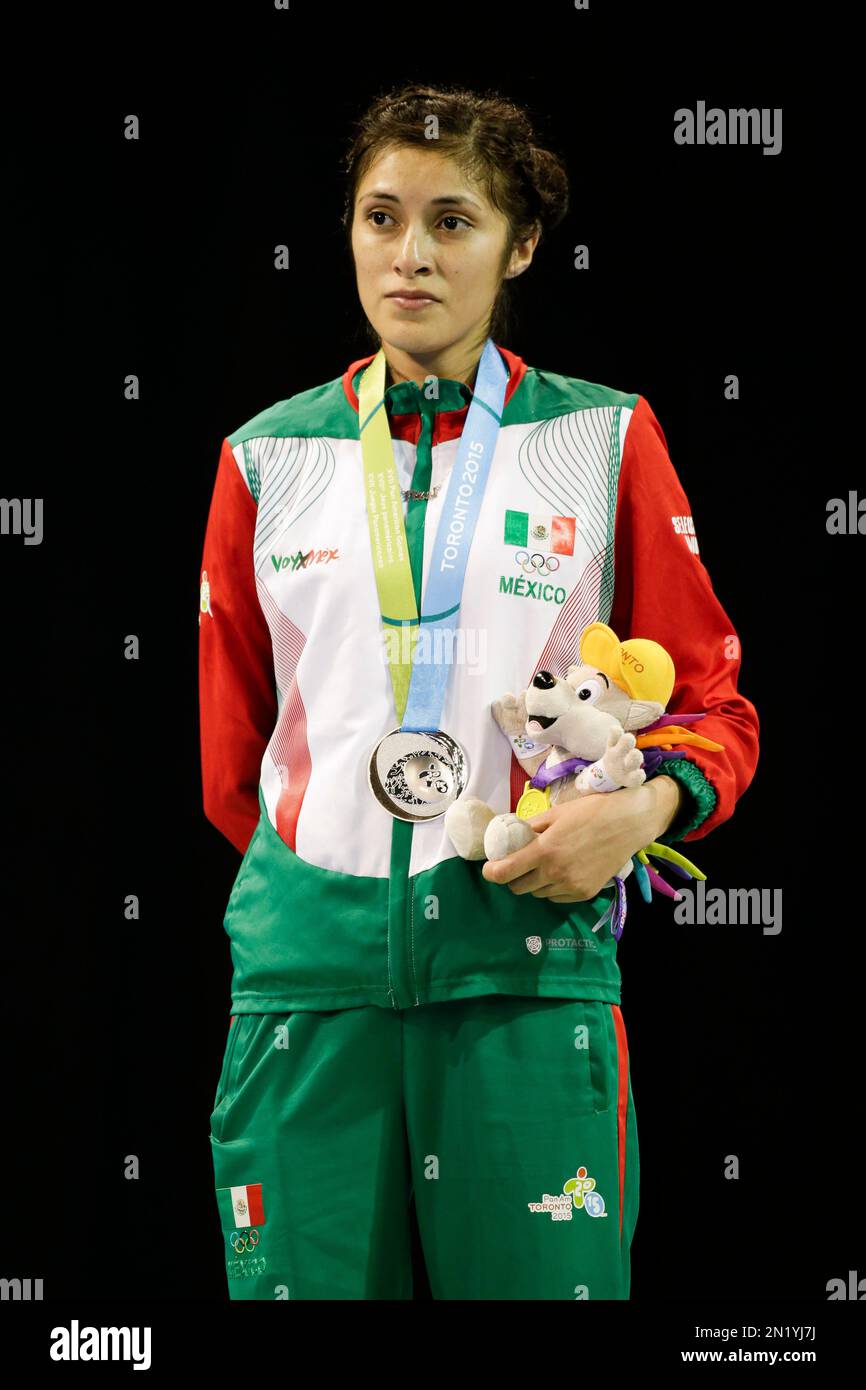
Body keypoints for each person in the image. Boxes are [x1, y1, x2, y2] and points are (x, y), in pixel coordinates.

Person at [198, 82, 760, 1301]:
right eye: (379, 217)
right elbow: (234, 757)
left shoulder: (601, 437)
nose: (408, 255)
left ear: (519, 245)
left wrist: (643, 812)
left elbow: (712, 703)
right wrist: (323, 902)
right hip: (308, 993)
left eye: (450, 221)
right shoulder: (264, 456)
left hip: (526, 978)